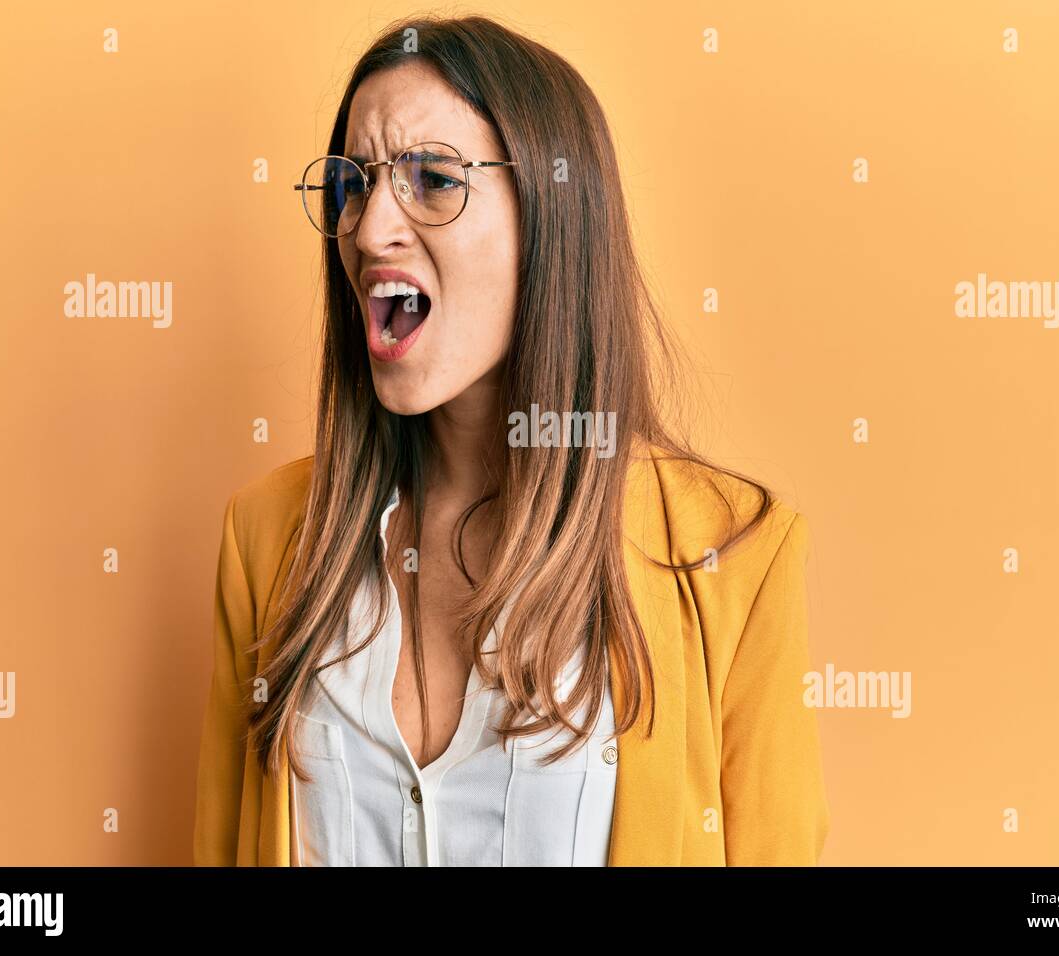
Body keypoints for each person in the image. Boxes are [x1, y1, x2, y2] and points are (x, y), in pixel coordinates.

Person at [193, 14, 829, 867]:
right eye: (356, 182)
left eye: (432, 177)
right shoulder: (266, 541)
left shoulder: (732, 554)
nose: (371, 226)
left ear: (554, 215)